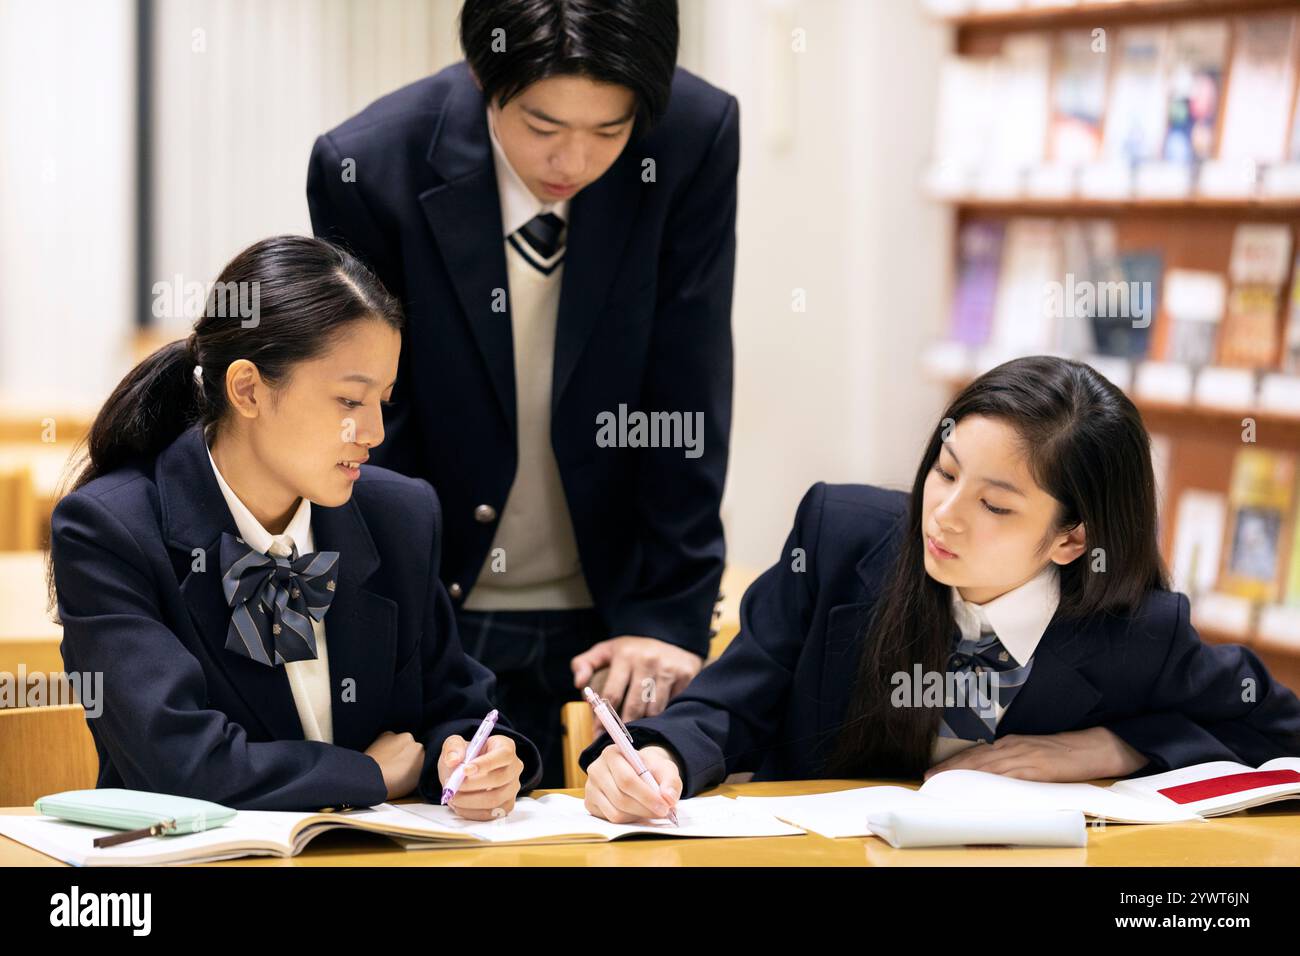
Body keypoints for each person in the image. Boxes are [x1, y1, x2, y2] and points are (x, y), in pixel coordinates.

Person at [307, 0, 738, 787]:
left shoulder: (691, 137)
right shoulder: (371, 165)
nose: (572, 160)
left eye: (609, 131)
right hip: (438, 593)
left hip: (616, 594)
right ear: (483, 76)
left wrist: (667, 616)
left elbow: (689, 380)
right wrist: (402, 620)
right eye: (543, 126)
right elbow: (369, 416)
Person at [579, 356, 1300, 822]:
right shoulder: (841, 539)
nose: (944, 515)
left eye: (995, 505)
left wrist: (1118, 746)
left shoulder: (1138, 631)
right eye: (946, 471)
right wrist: (661, 758)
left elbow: (1274, 730)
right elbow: (730, 701)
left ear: (1072, 539)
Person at [49, 235, 540, 814]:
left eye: (384, 400)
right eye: (349, 403)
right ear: (248, 389)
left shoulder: (399, 515)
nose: (376, 433)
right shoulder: (109, 530)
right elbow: (179, 763)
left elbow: (460, 705)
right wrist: (365, 776)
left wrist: (474, 760)